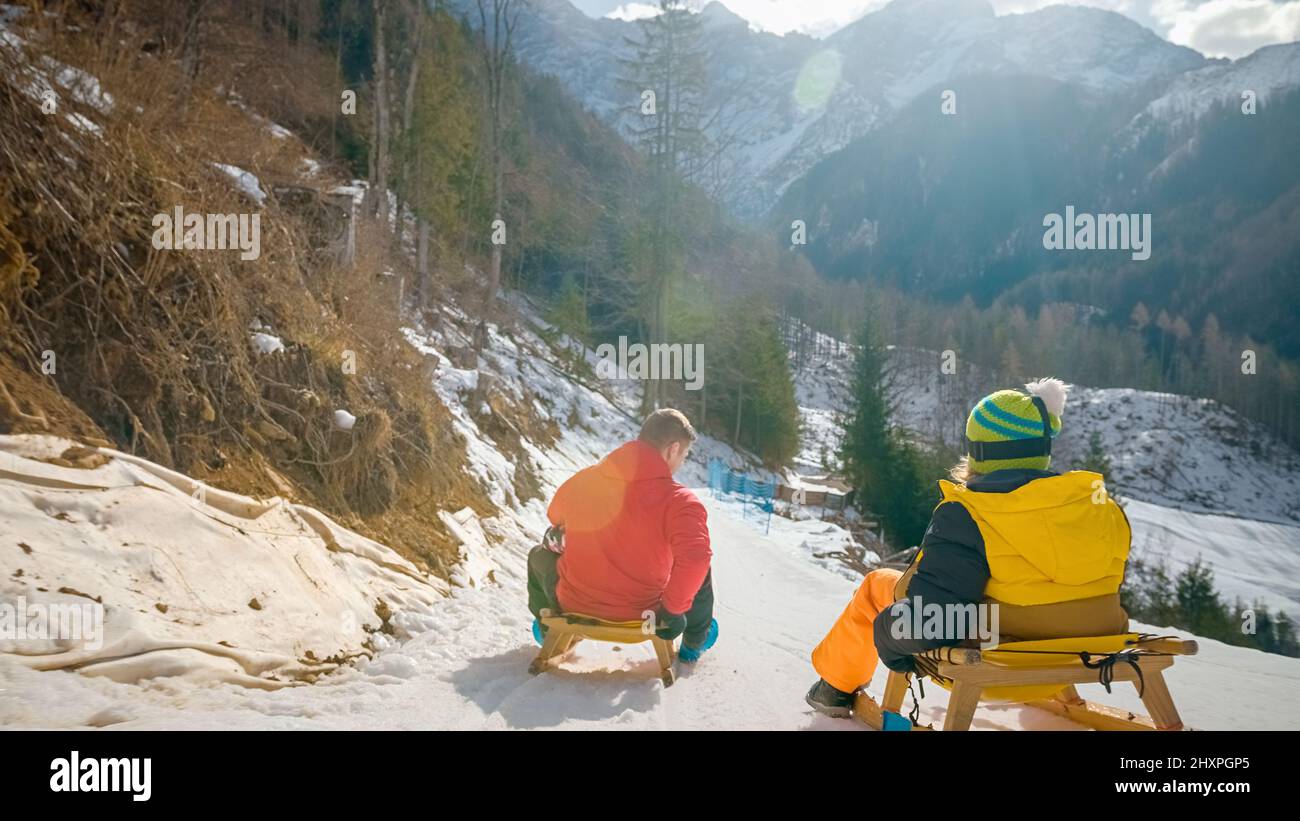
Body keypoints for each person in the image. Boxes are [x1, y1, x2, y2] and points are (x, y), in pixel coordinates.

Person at [805, 378, 1131, 718]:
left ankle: (835, 688)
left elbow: (934, 621)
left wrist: (890, 634)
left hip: (1002, 658)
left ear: (978, 452)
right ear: (1043, 450)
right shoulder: (1099, 505)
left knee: (877, 585)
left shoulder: (969, 512)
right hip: (1092, 646)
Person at [528, 408, 719, 662]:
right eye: (684, 454)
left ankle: (548, 630)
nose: (681, 462)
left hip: (573, 605)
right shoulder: (679, 501)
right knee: (699, 568)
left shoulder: (584, 480)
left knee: (538, 555)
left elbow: (555, 516)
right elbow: (695, 559)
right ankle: (695, 642)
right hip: (644, 615)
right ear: (673, 449)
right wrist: (672, 611)